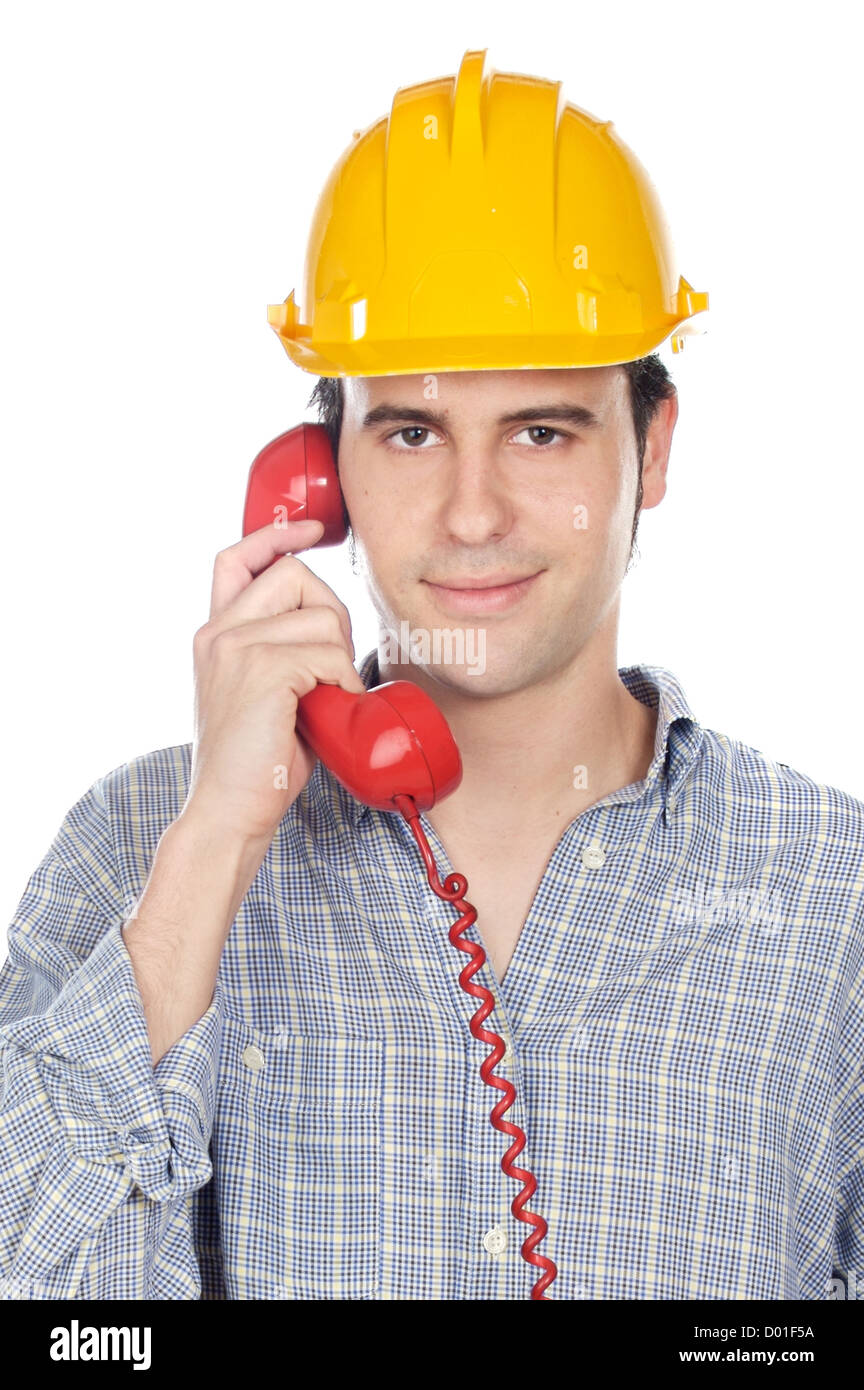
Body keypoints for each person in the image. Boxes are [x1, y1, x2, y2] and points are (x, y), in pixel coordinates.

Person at [1, 49, 861, 1303]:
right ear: (320, 469)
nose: (470, 514)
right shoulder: (132, 851)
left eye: (543, 429)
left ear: (653, 447)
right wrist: (213, 852)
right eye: (411, 430)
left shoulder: (834, 900)